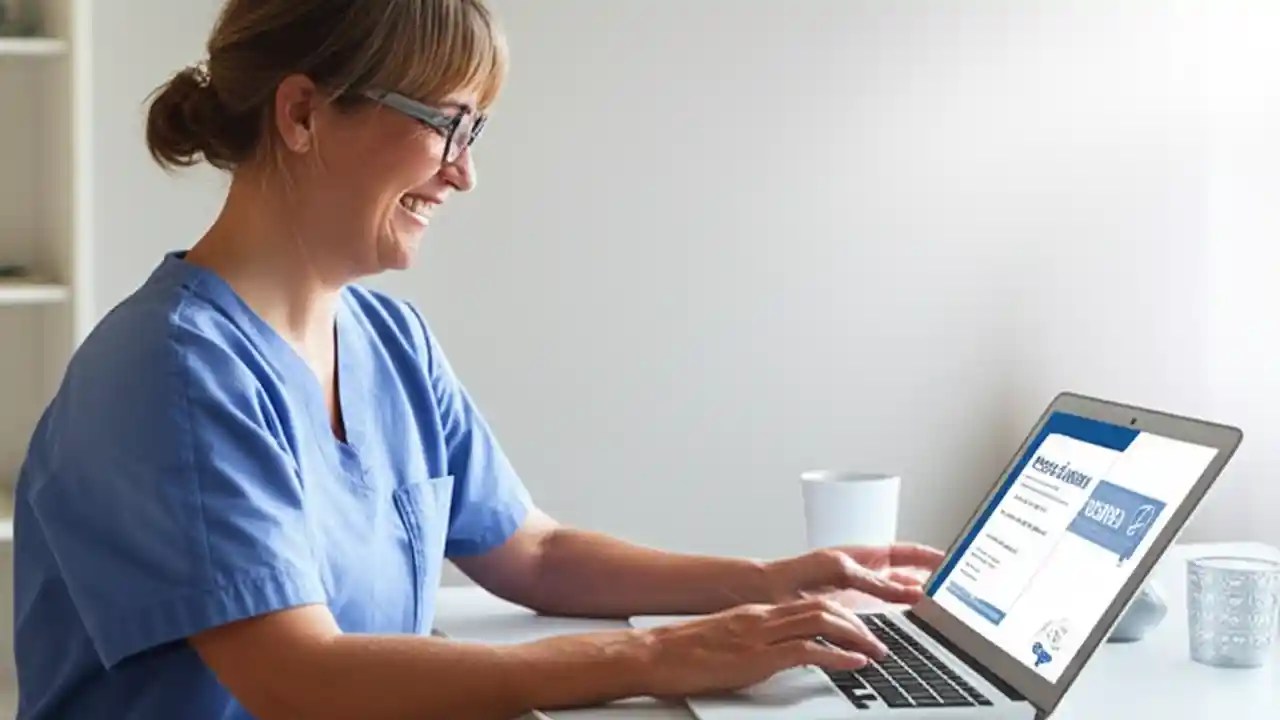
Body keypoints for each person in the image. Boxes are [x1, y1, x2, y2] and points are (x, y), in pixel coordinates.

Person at [11, 1, 945, 718]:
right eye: (446, 125)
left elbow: (533, 553)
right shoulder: (170, 373)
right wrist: (662, 656)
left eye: (474, 133)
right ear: (302, 113)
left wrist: (766, 582)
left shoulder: (389, 342)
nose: (463, 171)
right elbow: (301, 679)